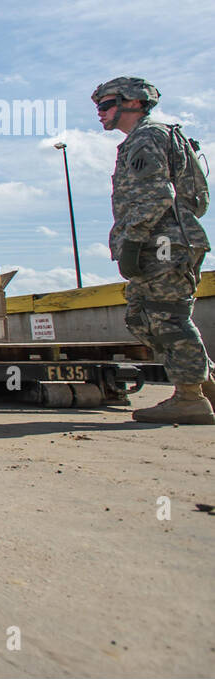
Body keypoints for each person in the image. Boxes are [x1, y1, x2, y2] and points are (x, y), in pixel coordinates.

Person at [95, 77, 214, 424]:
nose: (99, 114)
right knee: (141, 316)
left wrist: (133, 239)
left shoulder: (148, 136)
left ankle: (190, 398)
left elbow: (157, 195)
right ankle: (203, 385)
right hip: (162, 239)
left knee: (167, 317)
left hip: (162, 242)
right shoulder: (147, 137)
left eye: (105, 105)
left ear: (132, 102)